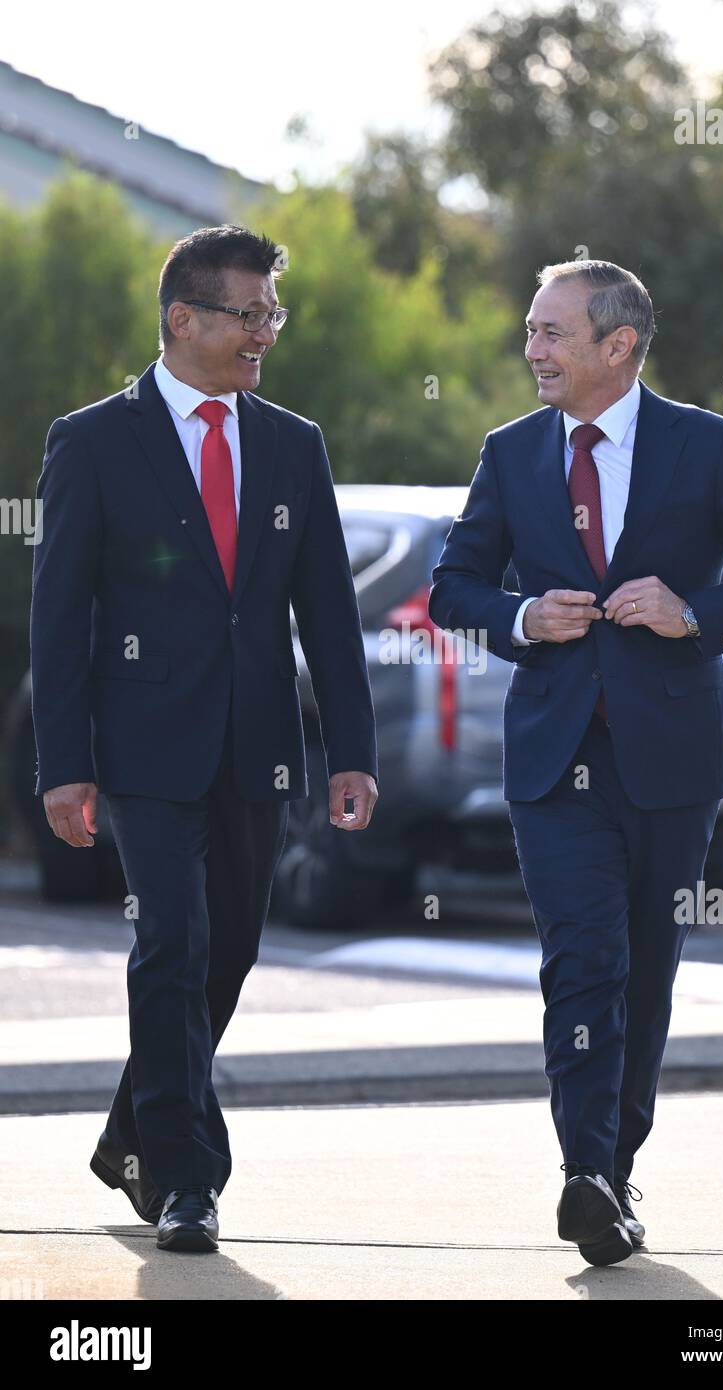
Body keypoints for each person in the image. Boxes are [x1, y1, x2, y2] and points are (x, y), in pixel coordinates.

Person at [428, 258, 723, 1265]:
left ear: (618, 346)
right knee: (581, 956)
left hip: (669, 760)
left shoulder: (708, 446)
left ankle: (612, 1163)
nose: (531, 350)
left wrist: (696, 612)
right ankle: (582, 1172)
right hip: (551, 755)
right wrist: (520, 615)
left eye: (551, 333)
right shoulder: (510, 452)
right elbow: (453, 587)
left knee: (644, 968)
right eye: (529, 330)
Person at [30, 225, 378, 1253]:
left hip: (259, 741)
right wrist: (64, 766)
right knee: (171, 940)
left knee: (229, 948)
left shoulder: (291, 443)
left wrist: (349, 747)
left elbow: (327, 609)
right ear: (183, 319)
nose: (264, 330)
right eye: (247, 312)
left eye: (272, 311)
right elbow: (60, 617)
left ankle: (132, 1133)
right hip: (140, 744)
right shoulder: (91, 439)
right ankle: (186, 1175)